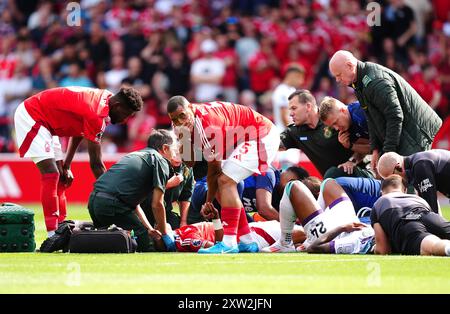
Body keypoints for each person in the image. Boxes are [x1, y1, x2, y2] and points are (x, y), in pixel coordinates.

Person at [13, 86, 142, 238]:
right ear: (117, 106)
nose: (124, 120)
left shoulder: (105, 99)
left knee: (61, 176)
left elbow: (80, 130)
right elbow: (96, 164)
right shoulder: (97, 114)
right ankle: (52, 234)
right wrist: (113, 195)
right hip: (32, 115)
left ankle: (61, 227)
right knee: (51, 173)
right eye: (126, 114)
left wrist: (66, 164)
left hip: (47, 121)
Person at [167, 95, 280, 253]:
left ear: (191, 108)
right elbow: (190, 162)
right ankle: (246, 241)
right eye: (175, 119)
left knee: (225, 181)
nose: (180, 121)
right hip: (245, 137)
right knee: (225, 185)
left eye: (182, 116)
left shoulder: (207, 126)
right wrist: (184, 141)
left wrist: (208, 202)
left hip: (261, 135)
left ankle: (229, 242)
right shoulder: (183, 125)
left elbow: (213, 170)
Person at [329, 50, 442, 175]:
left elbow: (395, 116)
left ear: (350, 66)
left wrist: (388, 153)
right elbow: (371, 118)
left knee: (416, 180)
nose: (337, 80)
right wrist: (376, 149)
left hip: (416, 132)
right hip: (406, 131)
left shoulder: (375, 81)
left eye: (339, 75)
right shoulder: (358, 82)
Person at [87, 129, 178, 252]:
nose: (175, 153)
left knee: (106, 246)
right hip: (113, 205)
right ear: (165, 148)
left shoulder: (135, 155)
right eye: (174, 148)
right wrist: (165, 234)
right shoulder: (160, 160)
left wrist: (149, 228)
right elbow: (157, 204)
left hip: (94, 202)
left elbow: (134, 203)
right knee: (147, 245)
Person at [261, 172, 374, 254]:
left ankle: (285, 243)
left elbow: (315, 248)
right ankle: (309, 235)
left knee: (293, 186)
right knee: (328, 182)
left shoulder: (357, 242)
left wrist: (342, 227)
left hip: (333, 234)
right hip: (350, 223)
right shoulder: (375, 230)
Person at [280, 89, 372, 178]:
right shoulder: (294, 132)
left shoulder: (336, 119)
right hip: (331, 183)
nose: (290, 114)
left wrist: (352, 161)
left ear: (308, 106)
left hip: (359, 174)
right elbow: (274, 144)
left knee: (332, 174)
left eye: (294, 108)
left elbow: (370, 146)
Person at [153, 205, 306, 253]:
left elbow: (219, 243)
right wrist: (216, 221)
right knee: (301, 233)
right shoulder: (183, 239)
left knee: (299, 235)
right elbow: (217, 246)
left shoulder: (182, 234)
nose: (157, 225)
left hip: (240, 233)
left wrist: (216, 220)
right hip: (244, 236)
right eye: (156, 227)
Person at [371, 174, 450, 256]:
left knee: (431, 245)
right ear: (404, 190)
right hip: (428, 215)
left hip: (407, 222)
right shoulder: (419, 199)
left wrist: (374, 248)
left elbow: (383, 249)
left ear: (381, 192)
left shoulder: (378, 204)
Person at [377, 150, 450, 214]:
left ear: (398, 167)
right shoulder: (414, 166)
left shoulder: (419, 166)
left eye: (392, 178)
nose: (393, 183)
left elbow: (431, 207)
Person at [319, 97, 371, 176]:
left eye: (335, 122)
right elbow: (371, 148)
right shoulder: (346, 126)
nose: (336, 128)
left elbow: (378, 146)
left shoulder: (361, 112)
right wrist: (350, 146)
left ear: (342, 110)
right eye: (333, 126)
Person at [142, 157, 194, 229]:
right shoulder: (156, 163)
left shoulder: (186, 168)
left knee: (179, 229)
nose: (178, 156)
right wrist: (169, 184)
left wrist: (183, 221)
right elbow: (142, 190)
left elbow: (186, 196)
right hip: (143, 210)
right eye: (175, 151)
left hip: (165, 212)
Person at [271, 65, 305, 132]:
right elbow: (284, 116)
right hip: (283, 132)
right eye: (299, 77)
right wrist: (293, 133)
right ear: (291, 76)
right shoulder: (281, 91)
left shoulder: (292, 90)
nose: (301, 81)